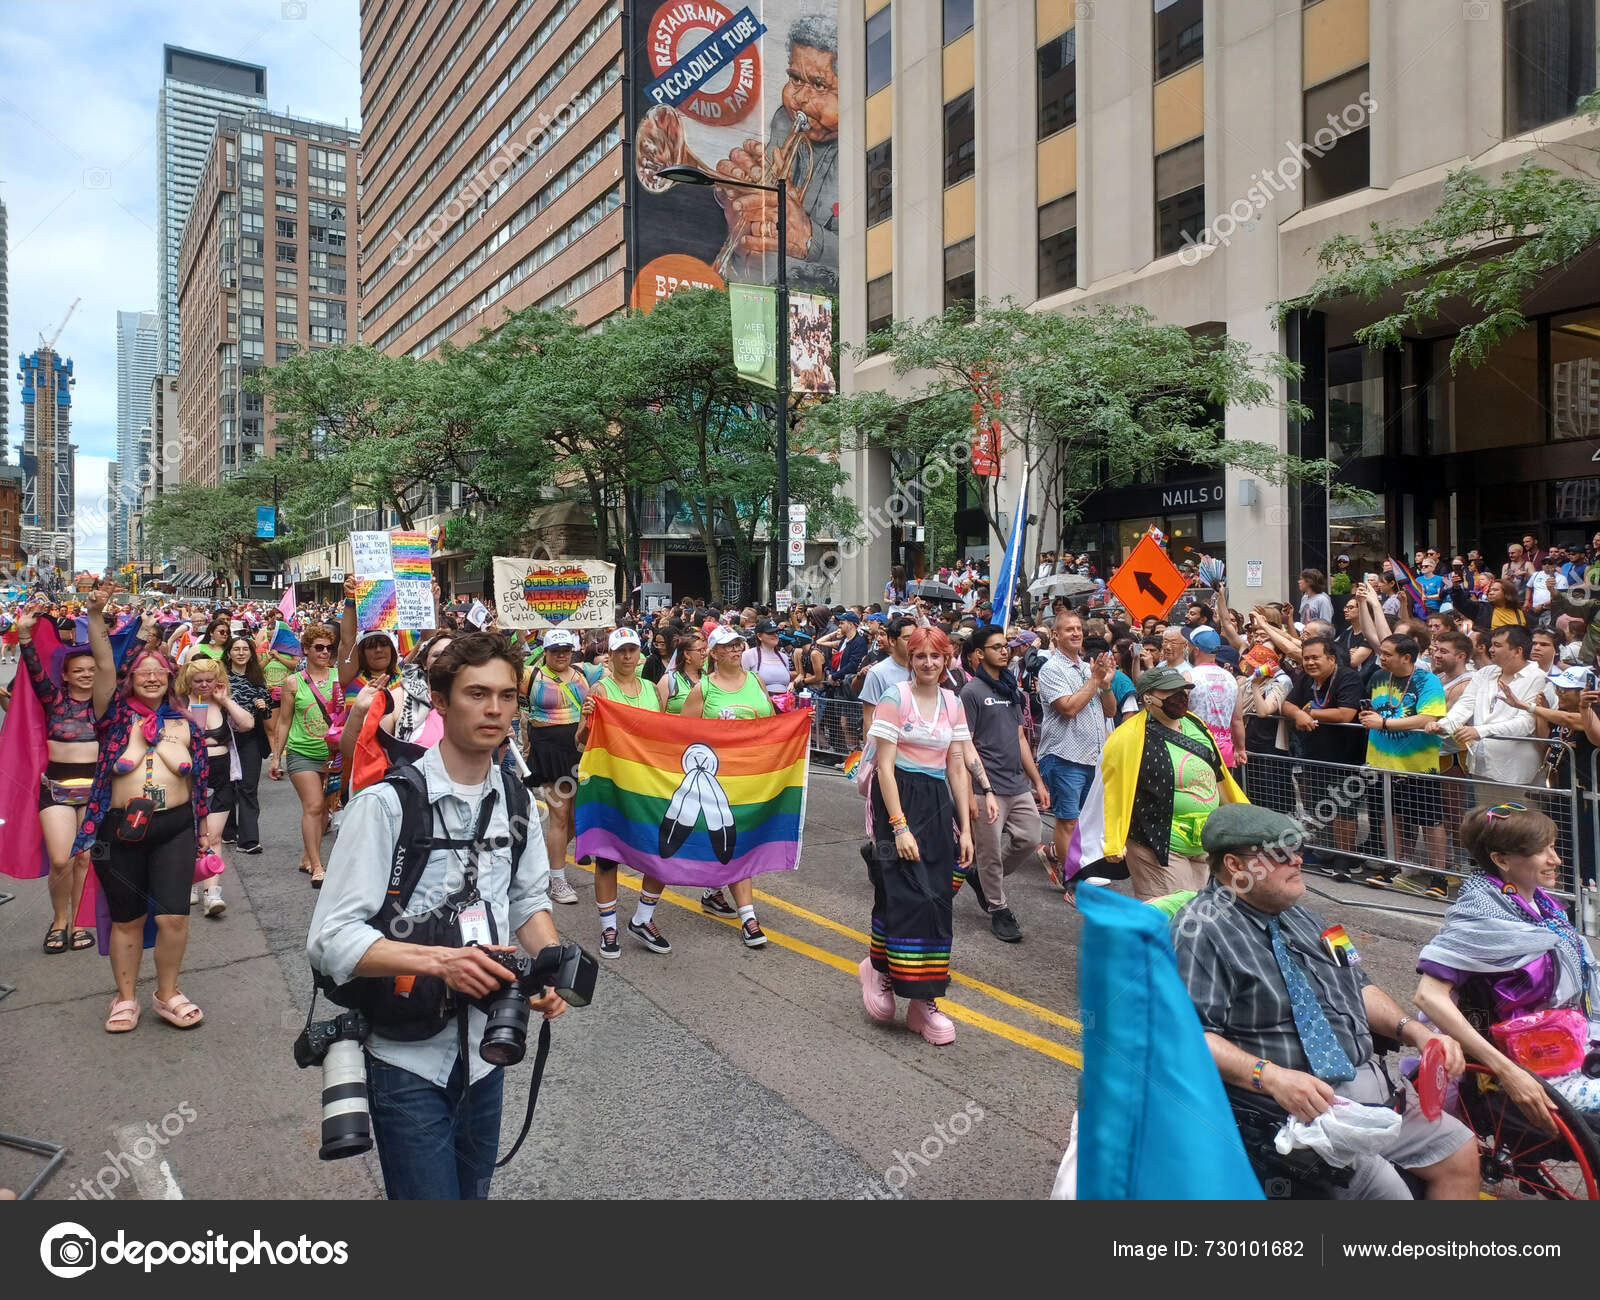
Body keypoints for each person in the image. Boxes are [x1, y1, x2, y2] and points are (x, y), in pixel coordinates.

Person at [307, 633, 565, 1199]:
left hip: (487, 1052)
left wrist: (547, 964)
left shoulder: (519, 801)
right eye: (477, 694)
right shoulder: (384, 805)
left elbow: (527, 901)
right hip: (406, 1058)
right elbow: (329, 940)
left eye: (505, 696)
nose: (494, 709)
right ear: (442, 702)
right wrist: (441, 962)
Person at [1172, 804, 1477, 1200]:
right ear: (1234, 865)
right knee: (1387, 1193)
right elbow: (1190, 1036)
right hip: (1293, 1105)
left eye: (1297, 848)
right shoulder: (1200, 931)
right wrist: (1272, 1077)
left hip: (1368, 1085)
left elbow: (1360, 985)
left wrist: (1414, 1030)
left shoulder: (1312, 919)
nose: (1297, 859)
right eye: (1280, 853)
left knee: (1460, 1152)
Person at [72, 584, 212, 1033]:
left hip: (174, 827)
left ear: (171, 678)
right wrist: (95, 617)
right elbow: (105, 664)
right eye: (142, 673)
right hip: (118, 831)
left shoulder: (186, 723)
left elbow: (200, 782)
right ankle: (125, 996)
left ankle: (166, 993)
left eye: (159, 672)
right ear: (130, 680)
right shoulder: (112, 714)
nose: (151, 678)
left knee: (174, 916)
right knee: (127, 919)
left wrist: (205, 830)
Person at [1415, 804, 1600, 1125]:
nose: (1556, 860)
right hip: (1537, 1066)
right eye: (1541, 852)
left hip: (1574, 1043)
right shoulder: (1480, 915)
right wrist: (1505, 1069)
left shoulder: (1543, 905)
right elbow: (1427, 997)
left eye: (1553, 847)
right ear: (1501, 860)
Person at [858, 627, 975, 1044]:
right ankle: (888, 974)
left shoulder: (953, 701)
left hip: (936, 800)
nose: (928, 663)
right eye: (920, 656)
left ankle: (920, 999)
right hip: (896, 797)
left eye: (936, 657)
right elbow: (885, 768)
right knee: (907, 892)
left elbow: (956, 764)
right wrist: (899, 826)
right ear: (910, 659)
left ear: (947, 660)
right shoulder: (895, 698)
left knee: (938, 895)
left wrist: (965, 827)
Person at [1101, 666, 1247, 899]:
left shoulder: (1195, 723)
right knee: (1172, 915)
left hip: (1202, 843)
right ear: (1148, 697)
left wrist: (1242, 818)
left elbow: (1219, 776)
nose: (1181, 697)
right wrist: (1114, 840)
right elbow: (1115, 791)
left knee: (1195, 913)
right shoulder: (1127, 737)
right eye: (1171, 692)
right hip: (1156, 844)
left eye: (1184, 691)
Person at [577, 628, 674, 958]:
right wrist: (588, 720)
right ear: (612, 655)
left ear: (639, 653)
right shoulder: (600, 690)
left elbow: (662, 736)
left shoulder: (650, 689)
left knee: (661, 853)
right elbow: (581, 740)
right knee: (607, 858)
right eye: (621, 651)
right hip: (610, 786)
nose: (628, 656)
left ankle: (643, 919)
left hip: (647, 785)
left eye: (632, 650)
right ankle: (609, 926)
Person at [682, 625, 776, 945]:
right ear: (715, 653)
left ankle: (712, 890)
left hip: (754, 776)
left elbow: (771, 723)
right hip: (718, 780)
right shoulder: (704, 690)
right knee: (736, 842)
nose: (736, 650)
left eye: (739, 644)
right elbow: (683, 736)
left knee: (742, 839)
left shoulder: (756, 680)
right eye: (728, 646)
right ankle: (749, 918)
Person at [958, 625, 1052, 942]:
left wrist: (1037, 781)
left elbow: (1020, 737)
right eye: (996, 646)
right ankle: (998, 909)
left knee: (1029, 837)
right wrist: (972, 790)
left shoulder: (1012, 690)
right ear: (980, 653)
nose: (1004, 650)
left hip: (1017, 784)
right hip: (987, 789)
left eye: (1006, 646)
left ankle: (985, 879)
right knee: (989, 854)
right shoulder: (970, 694)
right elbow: (964, 744)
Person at [16, 604, 100, 953]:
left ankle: (79, 919)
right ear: (65, 675)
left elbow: (124, 662)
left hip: (96, 790)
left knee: (85, 859)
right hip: (57, 790)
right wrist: (23, 633)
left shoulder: (106, 705)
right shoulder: (52, 699)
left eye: (91, 670)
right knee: (62, 859)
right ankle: (59, 919)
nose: (85, 675)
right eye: (78, 670)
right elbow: (34, 669)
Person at [1355, 634, 1449, 898]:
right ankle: (1392, 865)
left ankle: (1438, 875)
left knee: (1430, 821)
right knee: (1388, 817)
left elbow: (1429, 716)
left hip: (1418, 765)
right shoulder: (1377, 678)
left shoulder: (1426, 680)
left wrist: (1384, 724)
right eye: (1380, 653)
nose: (1381, 658)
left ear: (1406, 657)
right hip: (1380, 763)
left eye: (1386, 654)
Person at [521, 628, 604, 907]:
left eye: (566, 650)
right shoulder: (530, 675)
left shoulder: (583, 673)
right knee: (559, 814)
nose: (561, 655)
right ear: (544, 651)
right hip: (549, 751)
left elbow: (614, 670)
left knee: (576, 817)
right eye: (555, 650)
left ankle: (544, 864)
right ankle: (557, 880)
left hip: (581, 749)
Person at [1035, 611, 1117, 878]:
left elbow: (1109, 711)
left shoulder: (1088, 667)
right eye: (1068, 629)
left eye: (1078, 628)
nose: (1076, 633)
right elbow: (1067, 709)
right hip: (1063, 756)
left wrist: (1105, 685)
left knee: (1087, 822)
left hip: (1092, 758)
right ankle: (1071, 879)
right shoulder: (1050, 669)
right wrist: (1094, 680)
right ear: (1055, 636)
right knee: (1068, 820)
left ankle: (1062, 858)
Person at [175, 655, 255, 918]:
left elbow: (247, 724)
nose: (204, 685)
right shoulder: (180, 706)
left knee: (213, 836)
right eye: (198, 681)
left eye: (210, 680)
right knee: (188, 834)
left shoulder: (221, 704)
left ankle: (212, 893)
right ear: (188, 681)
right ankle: (188, 881)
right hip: (187, 778)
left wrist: (225, 701)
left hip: (220, 777)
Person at [1280, 634, 1366, 877]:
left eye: (1315, 657)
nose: (1309, 663)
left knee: (1344, 809)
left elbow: (1346, 713)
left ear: (1330, 658)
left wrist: (1311, 712)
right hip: (1315, 754)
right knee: (1318, 806)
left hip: (1346, 756)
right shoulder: (1307, 678)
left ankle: (1345, 859)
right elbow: (1286, 705)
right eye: (1306, 658)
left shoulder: (1348, 677)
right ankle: (1325, 853)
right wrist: (1299, 714)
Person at [1429, 625, 1548, 797]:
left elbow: (1526, 723)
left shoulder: (1538, 677)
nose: (1491, 649)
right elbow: (1465, 705)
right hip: (1479, 766)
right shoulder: (1485, 672)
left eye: (1498, 645)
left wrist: (1479, 731)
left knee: (1515, 823)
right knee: (1483, 822)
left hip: (1515, 771)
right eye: (1491, 644)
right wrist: (1443, 725)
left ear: (1518, 651)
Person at [268, 623, 342, 886]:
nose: (324, 652)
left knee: (325, 813)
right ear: (306, 651)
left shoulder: (340, 677)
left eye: (329, 648)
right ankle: (318, 866)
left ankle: (306, 856)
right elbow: (285, 721)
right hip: (302, 753)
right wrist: (277, 756)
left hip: (334, 756)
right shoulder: (292, 682)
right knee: (313, 806)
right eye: (318, 647)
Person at [222, 635, 271, 855]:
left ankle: (249, 839)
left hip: (250, 738)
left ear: (251, 654)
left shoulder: (258, 679)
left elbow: (268, 713)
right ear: (229, 653)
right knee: (227, 786)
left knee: (248, 787)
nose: (241, 653)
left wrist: (262, 706)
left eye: (245, 649)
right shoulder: (220, 678)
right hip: (224, 737)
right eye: (236, 649)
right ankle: (227, 830)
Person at [1185, 626, 1244, 770]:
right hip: (1224, 753)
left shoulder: (1189, 677)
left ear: (1197, 650)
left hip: (1194, 751)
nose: (1187, 650)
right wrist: (1240, 749)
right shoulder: (1231, 678)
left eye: (1189, 646)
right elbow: (1237, 719)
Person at [742, 618, 795, 708]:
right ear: (759, 636)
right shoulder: (749, 655)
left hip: (784, 709)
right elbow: (743, 685)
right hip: (759, 707)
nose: (775, 635)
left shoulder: (784, 657)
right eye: (770, 633)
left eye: (776, 632)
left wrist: (792, 684)